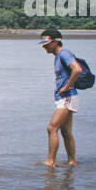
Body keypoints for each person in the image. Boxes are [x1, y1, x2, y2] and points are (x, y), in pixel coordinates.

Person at [40, 27, 82, 167]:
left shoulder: (64, 54)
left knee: (52, 128)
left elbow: (77, 69)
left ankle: (50, 161)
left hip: (67, 97)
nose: (44, 47)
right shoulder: (58, 57)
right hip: (63, 98)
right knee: (65, 131)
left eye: (46, 44)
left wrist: (67, 86)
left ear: (55, 42)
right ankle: (72, 161)